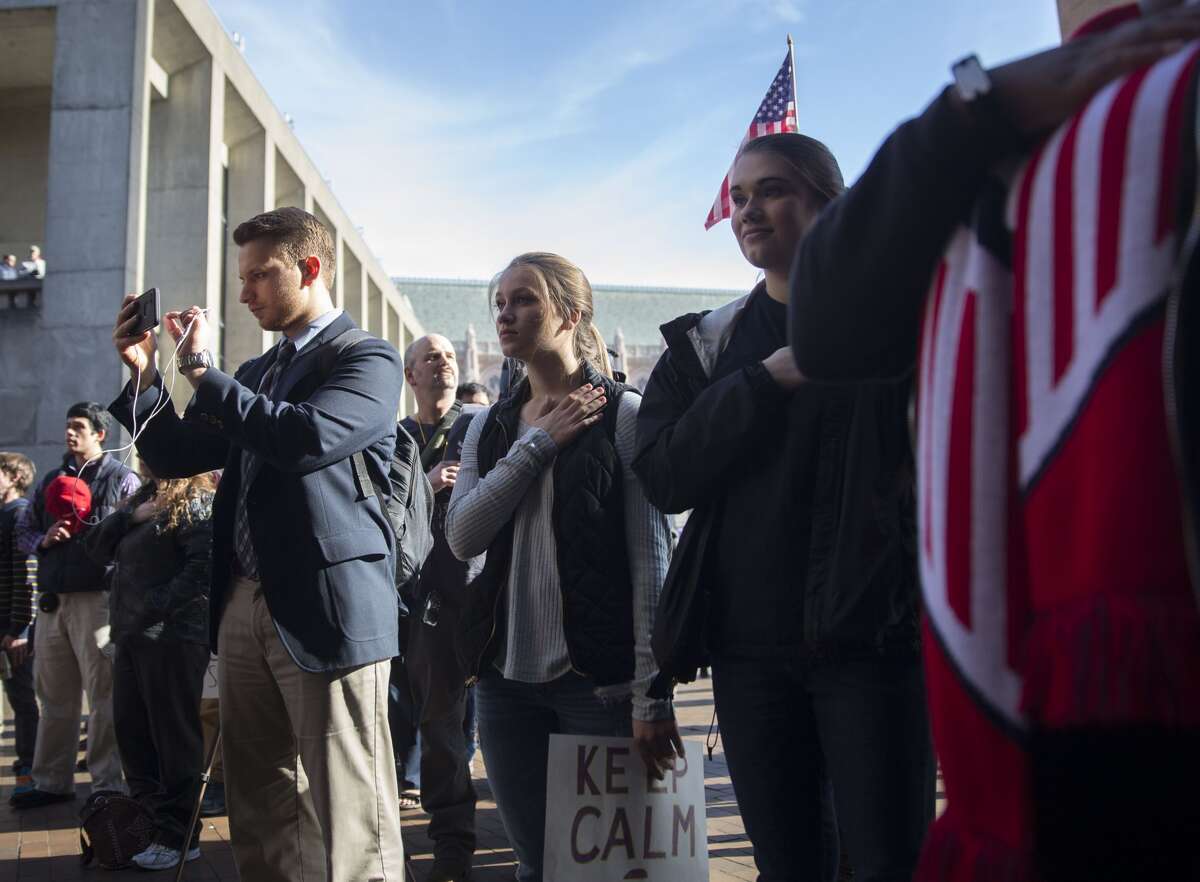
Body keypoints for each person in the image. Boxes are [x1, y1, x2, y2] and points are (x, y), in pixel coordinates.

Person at [787, 3, 1200, 881]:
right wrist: (978, 104)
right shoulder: (1017, 139)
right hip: (1086, 714)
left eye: (773, 191)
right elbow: (828, 319)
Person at [632, 135, 931, 882]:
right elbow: (664, 476)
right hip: (750, 651)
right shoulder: (707, 344)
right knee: (788, 863)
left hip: (876, 645)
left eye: (771, 190)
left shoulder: (903, 323)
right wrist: (763, 382)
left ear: (829, 203)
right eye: (739, 197)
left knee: (892, 861)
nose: (747, 211)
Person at [108, 206, 406, 882]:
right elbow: (177, 453)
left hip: (327, 606)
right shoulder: (257, 369)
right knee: (260, 800)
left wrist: (203, 372)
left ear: (310, 268)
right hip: (243, 601)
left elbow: (303, 438)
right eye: (241, 278)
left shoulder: (366, 358)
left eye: (259, 276)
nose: (243, 294)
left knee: (352, 812)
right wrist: (146, 376)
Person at [446, 252, 682, 882]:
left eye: (524, 300)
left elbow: (650, 562)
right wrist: (538, 445)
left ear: (571, 315)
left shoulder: (623, 414)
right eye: (500, 302)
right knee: (534, 864)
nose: (505, 314)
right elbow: (463, 536)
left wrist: (651, 693)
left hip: (597, 684)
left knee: (605, 868)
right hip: (503, 680)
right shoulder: (488, 426)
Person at [83, 470, 215, 871]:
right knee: (132, 734)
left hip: (172, 638)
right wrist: (130, 517)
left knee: (173, 738)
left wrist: (152, 604)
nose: (149, 460)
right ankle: (147, 827)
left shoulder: (195, 501)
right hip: (131, 636)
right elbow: (94, 546)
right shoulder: (141, 500)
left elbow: (204, 566)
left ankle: (180, 835)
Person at [11, 403, 138, 809]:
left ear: (100, 434)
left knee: (104, 696)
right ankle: (51, 781)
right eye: (67, 426)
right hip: (53, 603)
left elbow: (137, 536)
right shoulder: (51, 479)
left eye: (79, 427)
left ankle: (107, 784)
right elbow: (24, 532)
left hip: (99, 600)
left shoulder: (123, 479)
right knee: (53, 697)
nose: (70, 433)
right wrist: (44, 539)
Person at [399, 333, 485, 882]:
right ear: (411, 375)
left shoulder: (478, 427)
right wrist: (425, 487)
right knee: (437, 726)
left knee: (475, 721)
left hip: (477, 594)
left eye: (450, 355)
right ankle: (450, 840)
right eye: (430, 357)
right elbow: (379, 511)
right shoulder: (396, 438)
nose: (443, 363)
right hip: (416, 602)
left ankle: (497, 836)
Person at [0, 452, 40, 795]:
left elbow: (26, 575)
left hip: (12, 627)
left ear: (14, 477)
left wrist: (19, 629)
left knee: (23, 697)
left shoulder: (20, 514)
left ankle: (30, 763)